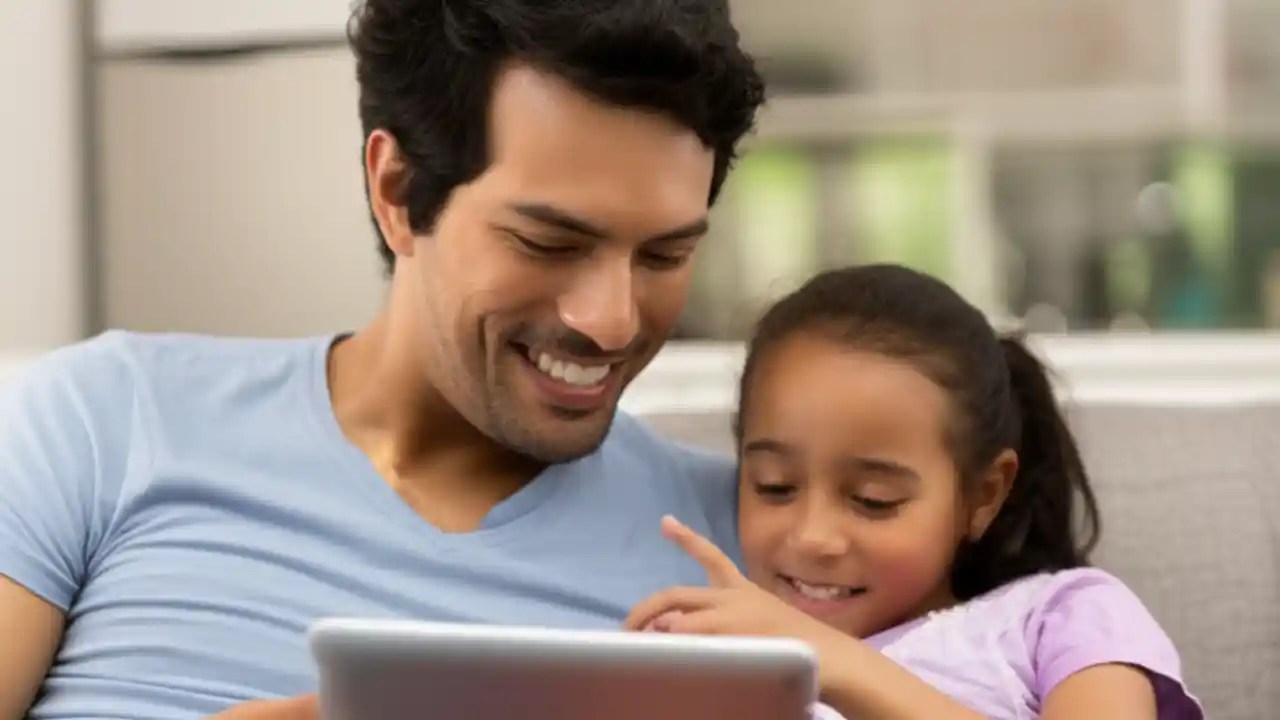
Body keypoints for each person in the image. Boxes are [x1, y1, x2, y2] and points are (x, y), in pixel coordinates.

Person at [0, 1, 765, 717]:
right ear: (396, 189)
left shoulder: (755, 534)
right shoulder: (102, 420)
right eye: (548, 244)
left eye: (664, 255)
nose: (610, 322)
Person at [626, 265, 1204, 719]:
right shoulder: (724, 657)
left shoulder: (1060, 616)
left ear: (982, 496)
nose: (813, 536)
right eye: (774, 488)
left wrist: (833, 663)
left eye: (873, 499)